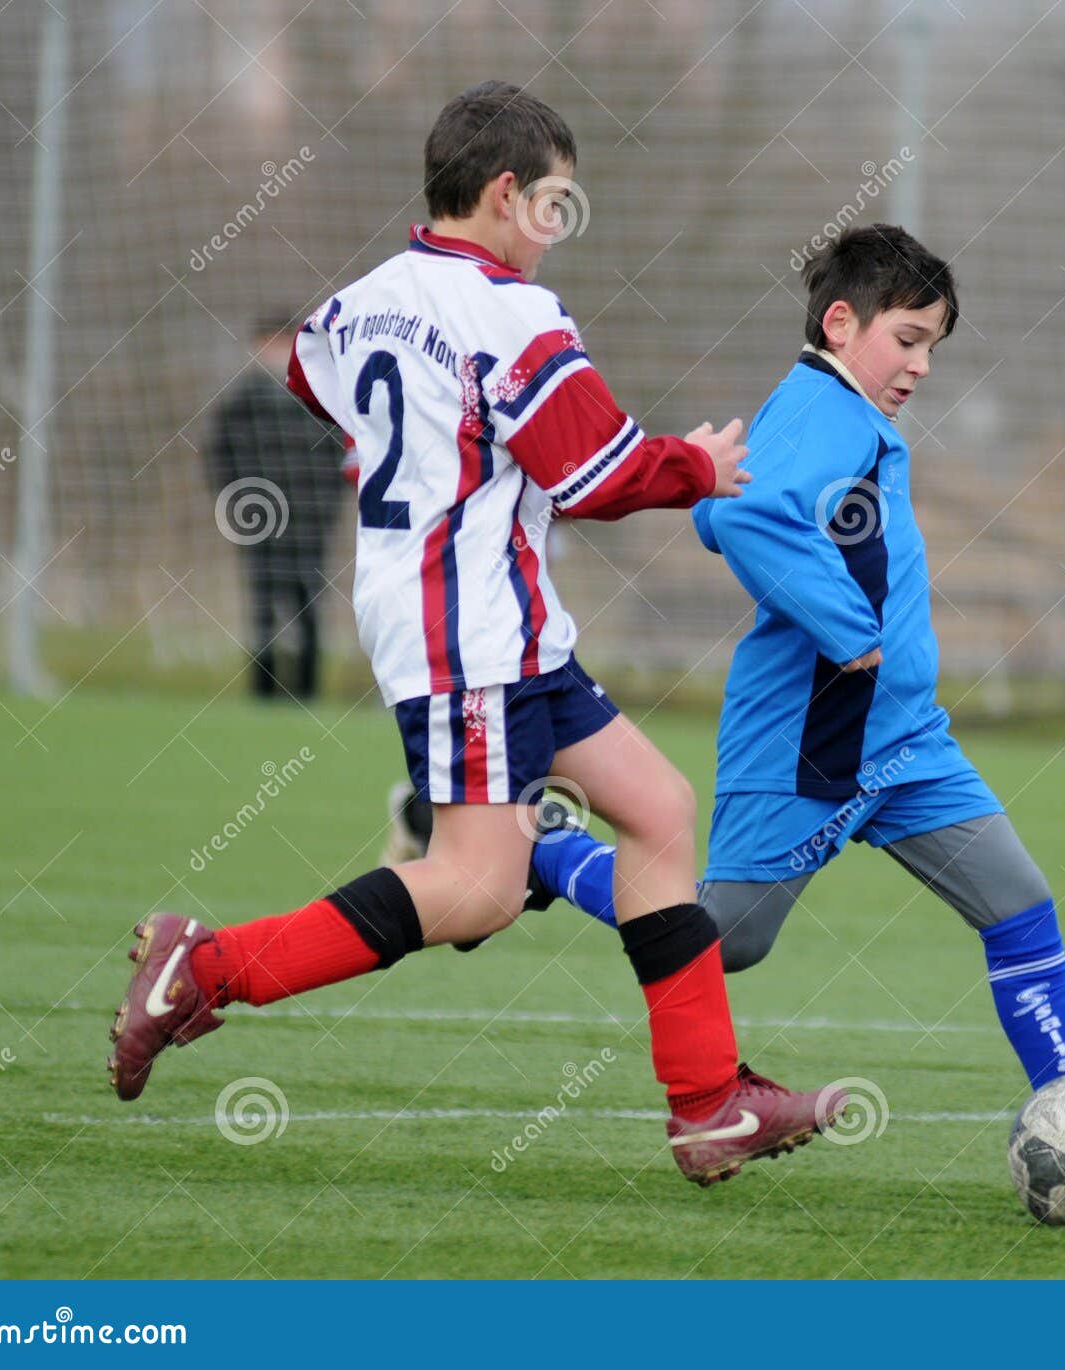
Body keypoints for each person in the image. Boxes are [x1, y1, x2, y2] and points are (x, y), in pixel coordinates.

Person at [108, 81, 849, 1187]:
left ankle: (709, 1105)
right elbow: (593, 475)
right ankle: (203, 968)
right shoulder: (512, 314)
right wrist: (699, 465)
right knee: (477, 887)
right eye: (554, 201)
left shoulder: (359, 301)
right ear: (505, 193)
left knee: (657, 807)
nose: (558, 223)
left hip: (502, 627)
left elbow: (321, 378)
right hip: (468, 637)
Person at [451, 223, 1065, 1169]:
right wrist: (850, 628)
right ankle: (553, 855)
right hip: (809, 742)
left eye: (934, 346)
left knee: (1019, 905)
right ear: (843, 322)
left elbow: (720, 508)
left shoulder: (850, 418)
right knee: (724, 939)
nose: (922, 365)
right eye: (908, 339)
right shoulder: (825, 409)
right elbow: (737, 513)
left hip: (904, 742)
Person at [205, 315, 348, 700]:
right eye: (267, 344)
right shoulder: (241, 404)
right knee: (263, 605)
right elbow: (220, 457)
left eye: (282, 343)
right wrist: (237, 505)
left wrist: (327, 507)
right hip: (259, 524)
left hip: (310, 521)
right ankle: (263, 690)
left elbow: (343, 459)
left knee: (309, 603)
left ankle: (306, 689)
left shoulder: (320, 400)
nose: (273, 352)